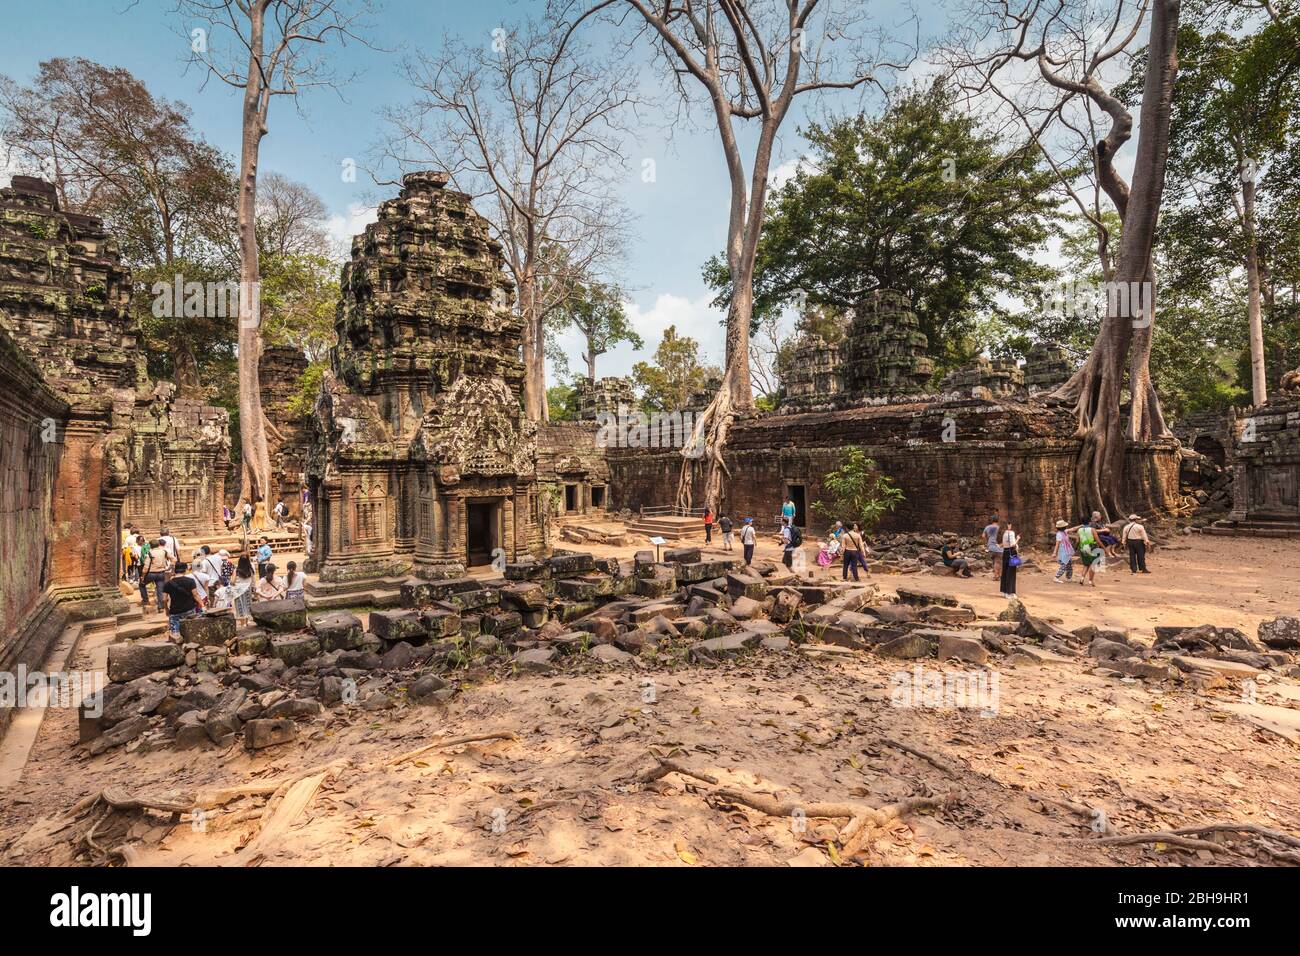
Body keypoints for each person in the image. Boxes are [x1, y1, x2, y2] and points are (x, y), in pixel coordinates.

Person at [162, 561, 204, 633]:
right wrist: (202, 605)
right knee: (191, 632)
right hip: (189, 609)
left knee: (176, 634)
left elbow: (164, 599)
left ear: (175, 570)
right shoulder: (190, 581)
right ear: (185, 570)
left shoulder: (168, 583)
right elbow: (195, 595)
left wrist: (166, 609)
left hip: (174, 611)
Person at [138, 540, 171, 613]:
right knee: (160, 590)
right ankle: (160, 607)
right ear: (159, 545)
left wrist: (142, 576)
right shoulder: (164, 552)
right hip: (161, 573)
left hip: (151, 573)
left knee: (141, 584)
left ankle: (145, 600)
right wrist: (170, 567)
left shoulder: (150, 553)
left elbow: (146, 567)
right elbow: (173, 559)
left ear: (150, 546)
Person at [1075, 522, 1101, 587]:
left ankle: (1082, 579)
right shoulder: (1092, 529)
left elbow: (1077, 541)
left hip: (1083, 547)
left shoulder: (1079, 530)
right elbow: (1098, 540)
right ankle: (1090, 581)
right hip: (1092, 547)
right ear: (1089, 522)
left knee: (1086, 565)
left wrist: (1075, 548)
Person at [232, 556, 255, 626]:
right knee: (247, 604)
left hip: (238, 590)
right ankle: (247, 621)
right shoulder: (250, 570)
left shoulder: (237, 570)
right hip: (248, 589)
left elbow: (233, 581)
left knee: (240, 606)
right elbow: (253, 580)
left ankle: (242, 623)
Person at [999, 521, 1019, 598]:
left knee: (1005, 571)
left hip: (1005, 552)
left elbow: (1003, 544)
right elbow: (1013, 545)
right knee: (1011, 572)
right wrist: (1017, 539)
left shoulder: (1004, 534)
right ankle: (1009, 592)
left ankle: (1006, 591)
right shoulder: (1011, 533)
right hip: (1012, 553)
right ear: (1008, 525)